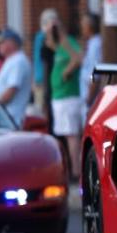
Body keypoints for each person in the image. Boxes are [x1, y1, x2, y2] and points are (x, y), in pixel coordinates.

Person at [46, 18, 83, 181]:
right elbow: (48, 45)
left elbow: (79, 57)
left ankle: (75, 171)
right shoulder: (59, 46)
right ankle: (70, 168)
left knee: (71, 135)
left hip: (68, 97)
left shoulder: (68, 42)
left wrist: (67, 71)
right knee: (64, 134)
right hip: (59, 97)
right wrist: (50, 32)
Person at [0, 29, 31, 126]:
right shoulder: (12, 60)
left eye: (2, 42)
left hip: (10, 117)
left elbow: (11, 89)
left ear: (12, 43)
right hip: (4, 116)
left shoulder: (18, 61)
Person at [33, 8, 59, 124]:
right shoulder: (42, 38)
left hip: (47, 78)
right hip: (43, 79)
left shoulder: (41, 37)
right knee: (43, 110)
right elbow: (40, 60)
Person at [79, 12, 103, 109]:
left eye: (83, 25)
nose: (81, 27)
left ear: (89, 26)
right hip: (86, 94)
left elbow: (94, 73)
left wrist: (90, 96)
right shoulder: (91, 43)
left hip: (91, 98)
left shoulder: (96, 45)